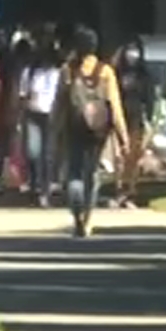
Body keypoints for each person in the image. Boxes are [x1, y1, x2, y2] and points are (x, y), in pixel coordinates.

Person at [53, 26, 128, 238]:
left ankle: (76, 211)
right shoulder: (106, 71)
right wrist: (122, 137)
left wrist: (55, 128)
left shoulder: (67, 70)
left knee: (74, 172)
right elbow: (115, 105)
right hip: (98, 130)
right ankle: (87, 217)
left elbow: (59, 103)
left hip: (73, 126)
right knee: (92, 173)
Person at [111, 36, 157, 207]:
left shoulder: (144, 75)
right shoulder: (116, 73)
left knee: (133, 156)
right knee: (119, 157)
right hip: (119, 118)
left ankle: (130, 192)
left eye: (136, 50)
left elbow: (150, 99)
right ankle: (119, 191)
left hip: (137, 119)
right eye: (130, 50)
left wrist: (150, 119)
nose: (133, 54)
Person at [19, 40, 62, 204]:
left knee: (48, 154)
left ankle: (44, 190)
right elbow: (23, 96)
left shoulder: (58, 73)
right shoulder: (29, 73)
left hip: (51, 115)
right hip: (33, 114)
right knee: (33, 151)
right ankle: (33, 182)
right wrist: (20, 117)